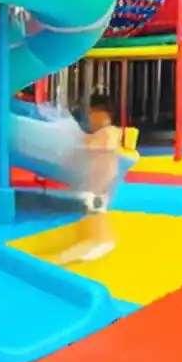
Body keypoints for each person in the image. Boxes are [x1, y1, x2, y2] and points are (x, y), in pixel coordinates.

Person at [55, 93, 122, 264]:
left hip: (101, 183)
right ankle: (98, 239)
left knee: (96, 211)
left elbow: (102, 147)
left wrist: (85, 147)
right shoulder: (101, 133)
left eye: (92, 114)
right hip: (97, 183)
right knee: (92, 212)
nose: (90, 118)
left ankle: (100, 241)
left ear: (102, 114)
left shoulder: (110, 132)